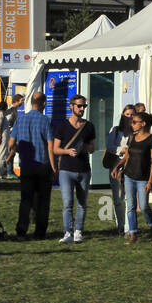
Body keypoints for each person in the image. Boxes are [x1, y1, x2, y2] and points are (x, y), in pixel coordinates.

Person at [9, 92, 53, 239]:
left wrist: (17, 151)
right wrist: (54, 166)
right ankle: (40, 231)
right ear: (43, 104)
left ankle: (21, 228)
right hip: (42, 165)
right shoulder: (46, 121)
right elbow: (50, 146)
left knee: (26, 199)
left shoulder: (20, 120)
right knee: (43, 200)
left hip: (26, 165)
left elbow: (11, 143)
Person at [52, 94, 95, 245]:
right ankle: (68, 232)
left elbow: (92, 149)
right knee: (67, 203)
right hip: (66, 170)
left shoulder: (89, 126)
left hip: (84, 170)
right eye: (79, 106)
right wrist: (67, 151)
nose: (82, 109)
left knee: (82, 203)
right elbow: (55, 149)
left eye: (84, 106)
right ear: (71, 106)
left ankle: (78, 232)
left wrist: (86, 147)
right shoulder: (62, 126)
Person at [117, 110, 152, 243]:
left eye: (134, 122)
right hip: (129, 175)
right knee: (131, 206)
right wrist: (118, 166)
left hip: (143, 178)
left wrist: (150, 181)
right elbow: (128, 155)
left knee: (144, 206)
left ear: (143, 124)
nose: (131, 124)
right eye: (131, 122)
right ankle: (133, 234)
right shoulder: (132, 137)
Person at [105, 106, 134, 235]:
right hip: (115, 166)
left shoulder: (136, 132)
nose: (130, 117)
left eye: (132, 114)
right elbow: (109, 146)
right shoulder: (115, 130)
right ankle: (120, 225)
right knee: (118, 198)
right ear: (123, 115)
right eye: (127, 114)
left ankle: (129, 227)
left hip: (130, 166)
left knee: (129, 198)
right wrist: (121, 150)